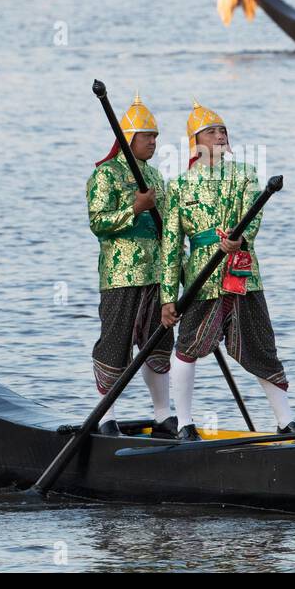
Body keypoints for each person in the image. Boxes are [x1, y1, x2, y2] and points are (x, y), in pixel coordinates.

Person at [160, 103, 295, 440]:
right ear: (196, 141)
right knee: (187, 346)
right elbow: (171, 244)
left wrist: (239, 239)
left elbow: (252, 217)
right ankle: (184, 423)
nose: (221, 135)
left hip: (243, 273)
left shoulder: (245, 174)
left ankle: (286, 420)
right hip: (201, 279)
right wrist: (168, 296)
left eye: (223, 130)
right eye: (212, 131)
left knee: (262, 346)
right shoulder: (179, 185)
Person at [86, 94, 175, 437]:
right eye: (148, 137)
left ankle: (163, 415)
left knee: (159, 343)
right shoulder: (105, 175)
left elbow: (168, 227)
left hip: (156, 274)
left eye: (156, 137)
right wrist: (135, 209)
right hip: (121, 272)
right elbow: (98, 223)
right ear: (129, 139)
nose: (154, 143)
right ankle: (106, 417)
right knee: (115, 343)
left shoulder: (156, 177)